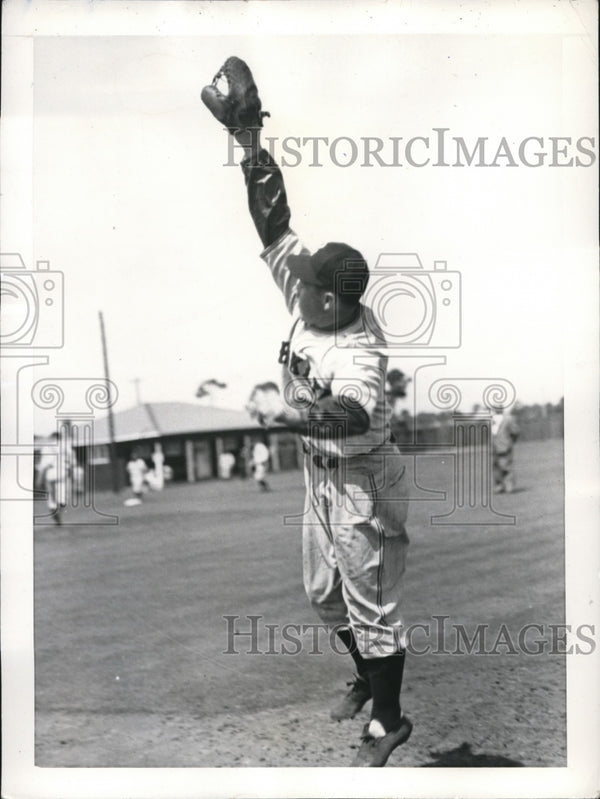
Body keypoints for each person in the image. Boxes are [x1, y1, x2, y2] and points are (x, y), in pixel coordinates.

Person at [202, 58, 412, 767]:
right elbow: (274, 218)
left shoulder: (359, 349)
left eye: (310, 279)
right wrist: (249, 137)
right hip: (320, 474)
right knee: (325, 597)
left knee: (373, 606)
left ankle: (389, 720)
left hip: (362, 480)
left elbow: (350, 416)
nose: (296, 274)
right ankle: (365, 674)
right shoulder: (313, 291)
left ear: (337, 301)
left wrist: (290, 421)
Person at [35, 431, 75, 525]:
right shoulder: (65, 445)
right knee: (62, 493)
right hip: (62, 471)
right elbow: (71, 459)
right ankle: (60, 504)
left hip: (50, 471)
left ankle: (53, 506)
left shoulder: (46, 447)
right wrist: (71, 471)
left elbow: (44, 464)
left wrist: (39, 478)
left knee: (51, 493)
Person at [491, 407, 520, 493]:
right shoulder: (491, 419)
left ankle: (509, 486)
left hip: (505, 446)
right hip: (494, 447)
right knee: (496, 467)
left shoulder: (508, 418)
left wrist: (510, 442)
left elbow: (516, 431)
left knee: (506, 466)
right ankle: (499, 486)